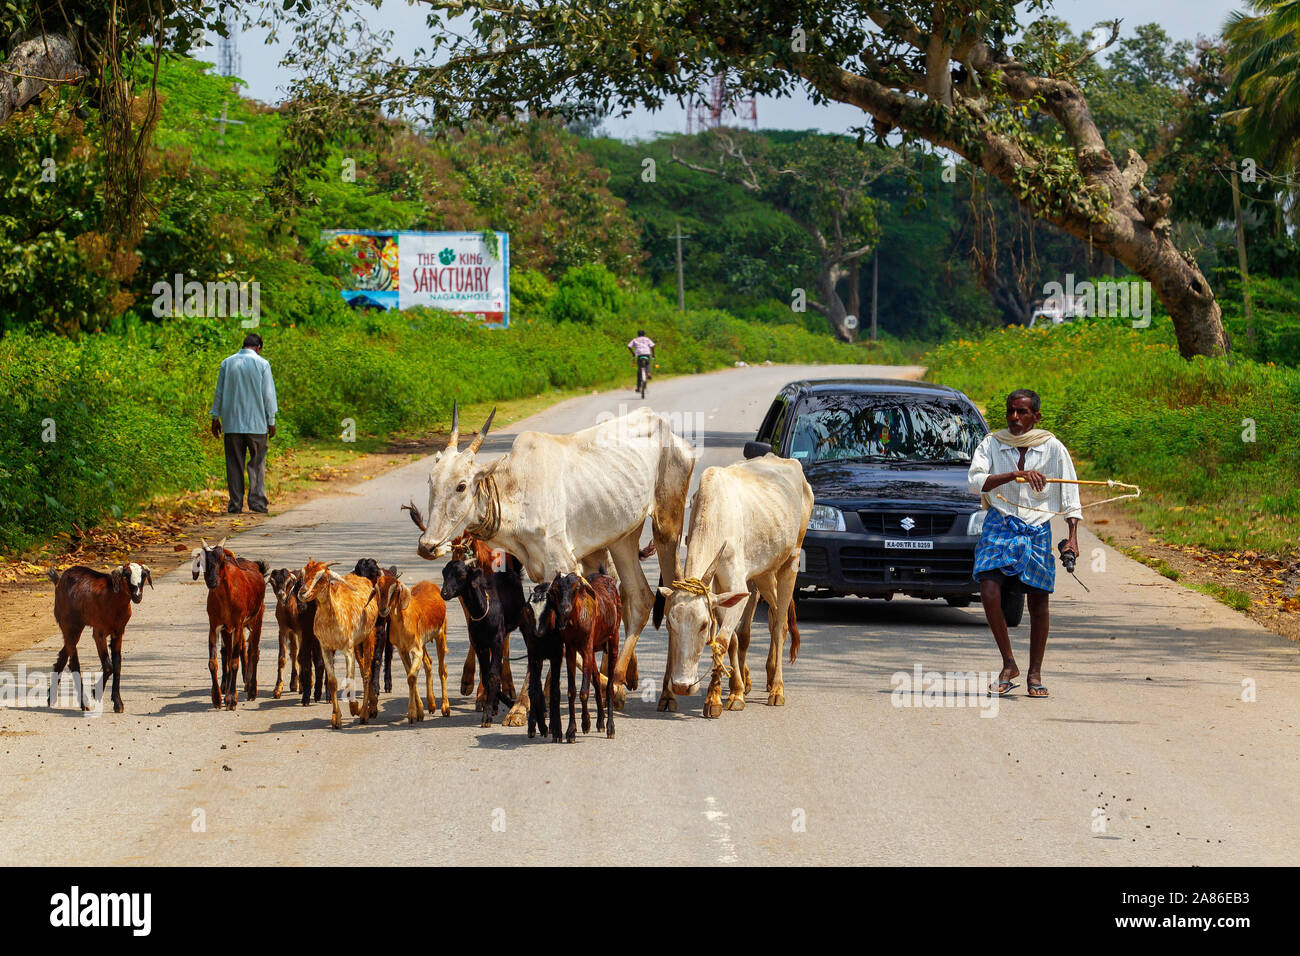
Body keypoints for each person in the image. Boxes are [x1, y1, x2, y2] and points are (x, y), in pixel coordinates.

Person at [967, 389, 1081, 699]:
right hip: (1000, 522)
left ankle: (1035, 672)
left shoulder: (1053, 448)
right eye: (1010, 412)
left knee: (1039, 601)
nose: (1015, 418)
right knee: (989, 589)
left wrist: (1072, 537)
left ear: (1036, 416)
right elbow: (975, 481)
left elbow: (1070, 497)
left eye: (1022, 412)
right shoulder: (992, 443)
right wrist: (1012, 475)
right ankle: (1008, 663)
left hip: (1036, 527)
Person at [210, 333, 278, 514]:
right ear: (258, 348)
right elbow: (268, 396)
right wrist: (271, 421)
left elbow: (219, 392)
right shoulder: (262, 364)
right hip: (256, 424)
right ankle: (257, 503)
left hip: (232, 424)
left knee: (234, 464)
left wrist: (215, 417)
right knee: (257, 463)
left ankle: (235, 504)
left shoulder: (227, 363)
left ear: (244, 345)